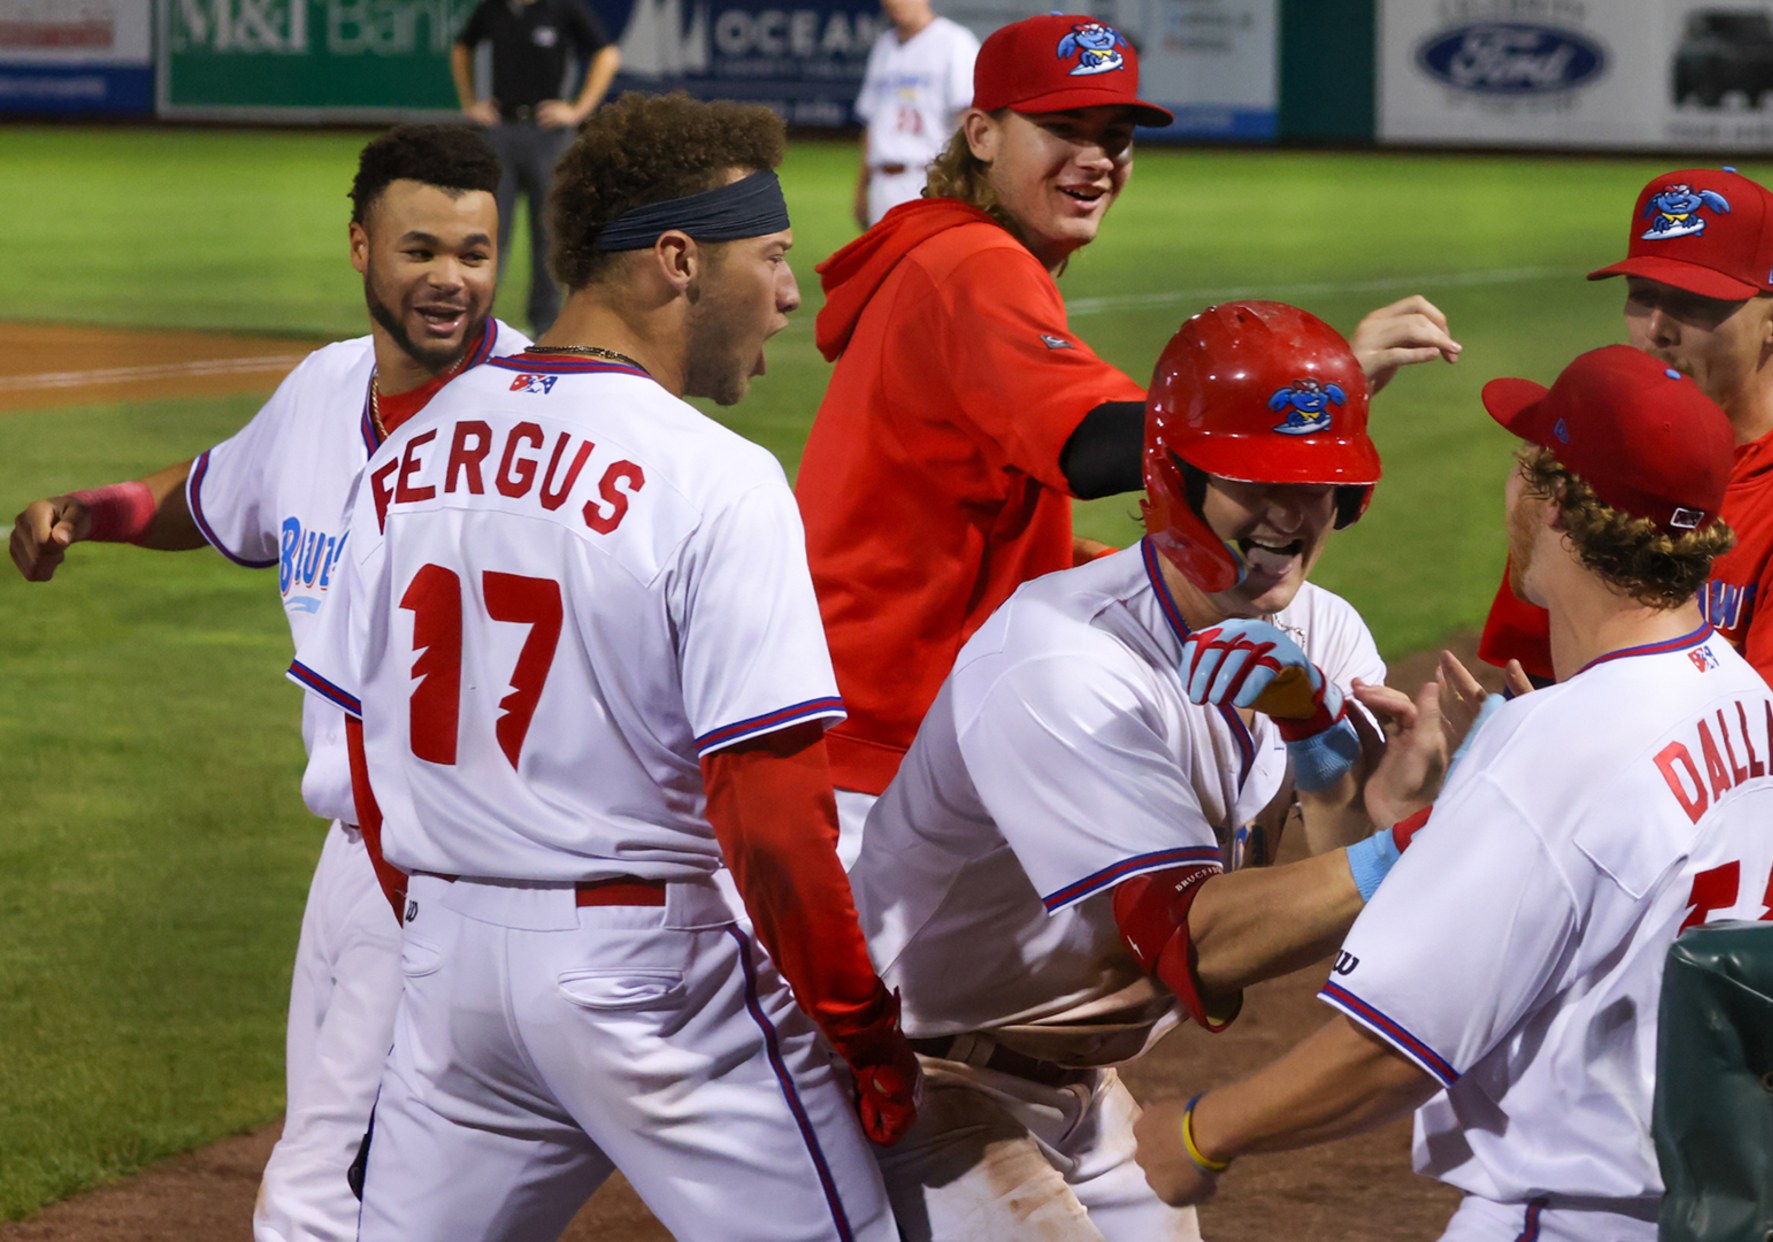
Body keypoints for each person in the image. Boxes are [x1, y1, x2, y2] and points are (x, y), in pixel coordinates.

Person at [288, 94, 914, 1240]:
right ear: (677, 261)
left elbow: (368, 762)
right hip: (647, 983)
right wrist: (861, 1031)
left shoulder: (407, 449)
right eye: (771, 256)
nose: (790, 291)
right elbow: (773, 817)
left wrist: (448, 932)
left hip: (449, 974)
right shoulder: (713, 478)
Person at [1130, 344, 1773, 1242]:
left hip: (1574, 1219)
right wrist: (1436, 819)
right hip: (1717, 1206)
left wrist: (1194, 1138)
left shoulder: (1559, 743)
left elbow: (1390, 1049)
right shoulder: (1752, 703)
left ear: (1555, 502)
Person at [848, 300, 1487, 1240]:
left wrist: (1332, 762)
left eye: (1318, 484)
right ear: (1174, 476)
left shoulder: (1324, 632)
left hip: (1081, 1081)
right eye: (1256, 480)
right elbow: (1200, 949)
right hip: (910, 1075)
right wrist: (1434, 842)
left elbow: (1329, 903)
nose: (1287, 515)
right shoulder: (1061, 661)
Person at [7, 126, 520, 1242]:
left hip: (450, 865)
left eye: (476, 253)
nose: (450, 279)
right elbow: (211, 495)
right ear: (359, 246)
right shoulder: (325, 387)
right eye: (421, 248)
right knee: (372, 1177)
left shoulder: (536, 419)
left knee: (319, 1201)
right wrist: (94, 514)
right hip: (346, 861)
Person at [799, 12, 1463, 865]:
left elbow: (957, 493)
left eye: (1114, 137)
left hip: (868, 717)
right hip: (883, 754)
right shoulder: (975, 265)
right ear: (983, 135)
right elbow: (1094, 445)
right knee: (1145, 948)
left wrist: (1080, 562)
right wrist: (1323, 382)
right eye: (1062, 130)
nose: (1096, 158)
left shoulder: (949, 251)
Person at [1474, 167, 1773, 1238]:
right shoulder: (1590, 469)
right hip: (1636, 962)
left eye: (1694, 304)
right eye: (1642, 296)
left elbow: (1764, 744)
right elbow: (1527, 681)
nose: (1656, 328)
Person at [451, 0, 619, 336]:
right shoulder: (493, 9)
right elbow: (461, 47)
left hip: (549, 135)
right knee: (487, 229)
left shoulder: (563, 8)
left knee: (551, 233)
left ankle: (546, 327)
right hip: (501, 130)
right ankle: (473, 323)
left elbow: (607, 54)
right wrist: (470, 102)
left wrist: (578, 110)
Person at [852, 0, 979, 227]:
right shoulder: (884, 47)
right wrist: (862, 187)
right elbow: (873, 124)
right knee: (885, 263)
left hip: (930, 179)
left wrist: (964, 180)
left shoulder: (955, 42)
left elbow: (969, 121)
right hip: (883, 182)